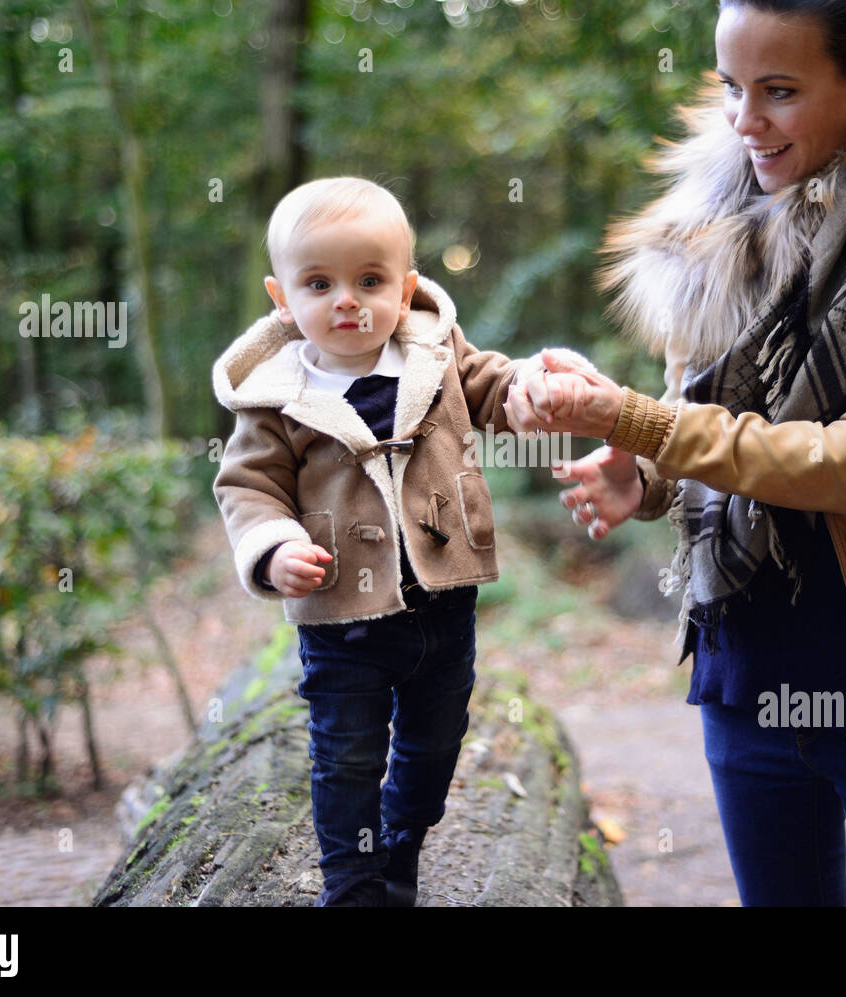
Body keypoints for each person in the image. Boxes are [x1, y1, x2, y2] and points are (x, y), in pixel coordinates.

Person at [505, 0, 846, 906]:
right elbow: (699, 416)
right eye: (732, 87)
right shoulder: (712, 221)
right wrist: (643, 471)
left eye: (778, 91)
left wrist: (642, 427)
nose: (744, 121)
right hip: (747, 683)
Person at [211, 176, 589, 906]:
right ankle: (352, 885)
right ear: (282, 297)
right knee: (346, 755)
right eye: (319, 283)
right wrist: (273, 546)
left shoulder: (432, 350)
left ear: (407, 285)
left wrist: (534, 385)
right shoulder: (276, 393)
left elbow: (491, 385)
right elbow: (247, 487)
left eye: (370, 280)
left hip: (444, 603)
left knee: (434, 743)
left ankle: (402, 841)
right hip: (340, 616)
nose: (347, 299)